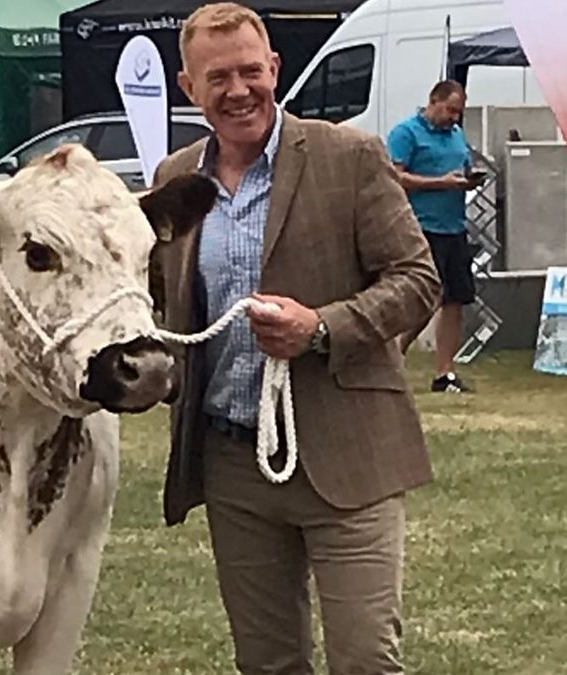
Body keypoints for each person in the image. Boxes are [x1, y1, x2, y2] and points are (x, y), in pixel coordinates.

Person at [151, 3, 441, 674]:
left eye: (251, 71)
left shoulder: (349, 155)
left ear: (275, 69)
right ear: (188, 87)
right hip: (232, 463)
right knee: (268, 662)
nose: (238, 91)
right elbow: (156, 302)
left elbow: (418, 279)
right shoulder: (174, 181)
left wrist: (321, 327)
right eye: (217, 77)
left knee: (365, 657)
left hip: (348, 453)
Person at [388, 80, 484, 392]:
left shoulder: (456, 135)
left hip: (454, 226)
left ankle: (446, 373)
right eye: (450, 110)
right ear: (433, 100)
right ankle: (393, 356)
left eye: (459, 112)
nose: (454, 117)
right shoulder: (407, 133)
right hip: (421, 226)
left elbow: (460, 168)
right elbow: (394, 177)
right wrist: (438, 182)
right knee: (426, 299)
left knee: (456, 299)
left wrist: (468, 182)